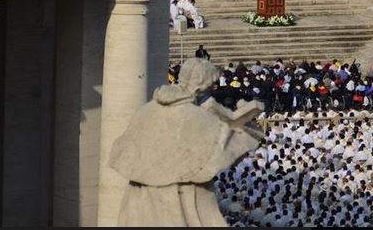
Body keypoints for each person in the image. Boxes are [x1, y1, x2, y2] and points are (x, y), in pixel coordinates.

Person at [109, 58, 263, 227]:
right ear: (202, 87)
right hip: (179, 206)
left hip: (137, 206)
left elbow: (120, 155)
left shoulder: (145, 111)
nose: (213, 91)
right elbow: (236, 148)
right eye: (211, 87)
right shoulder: (199, 119)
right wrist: (242, 121)